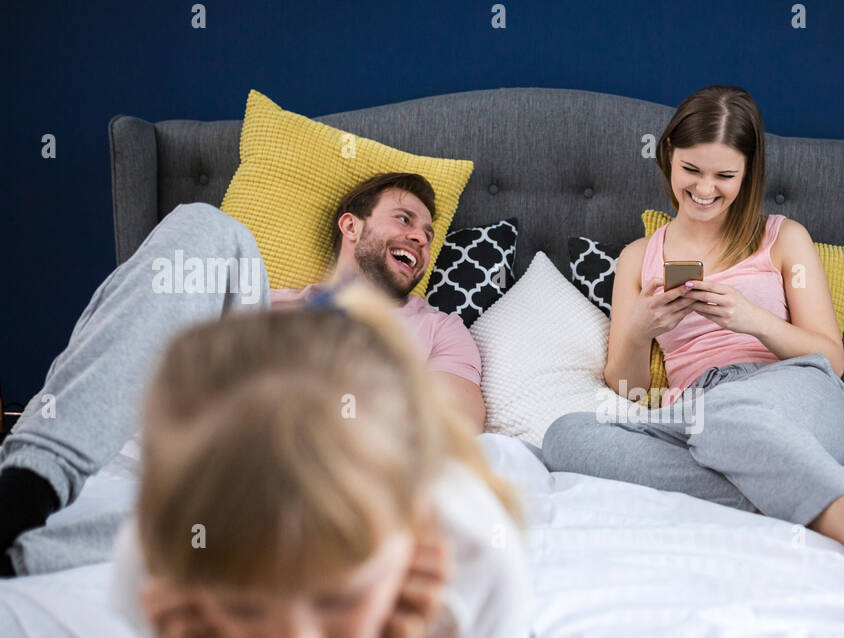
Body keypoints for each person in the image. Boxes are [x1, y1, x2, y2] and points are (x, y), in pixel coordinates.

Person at [15, 282, 643, 638]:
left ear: (411, 548)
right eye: (247, 603)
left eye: (331, 599)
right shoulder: (168, 564)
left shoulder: (463, 556)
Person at [542, 86, 844, 604]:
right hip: (692, 411)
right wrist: (642, 330)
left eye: (724, 176)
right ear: (667, 155)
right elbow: (629, 390)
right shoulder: (637, 258)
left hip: (792, 389)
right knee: (565, 436)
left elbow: (831, 358)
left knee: (729, 418)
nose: (705, 189)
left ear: (748, 174)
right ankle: (774, 483)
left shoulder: (784, 239)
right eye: (692, 169)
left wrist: (753, 319)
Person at [0, 172, 484, 577]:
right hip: (209, 410)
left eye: (427, 231)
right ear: (351, 226)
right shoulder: (258, 294)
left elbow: (454, 422)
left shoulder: (440, 327)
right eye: (404, 218)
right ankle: (32, 478)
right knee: (204, 225)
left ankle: (24, 558)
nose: (421, 237)